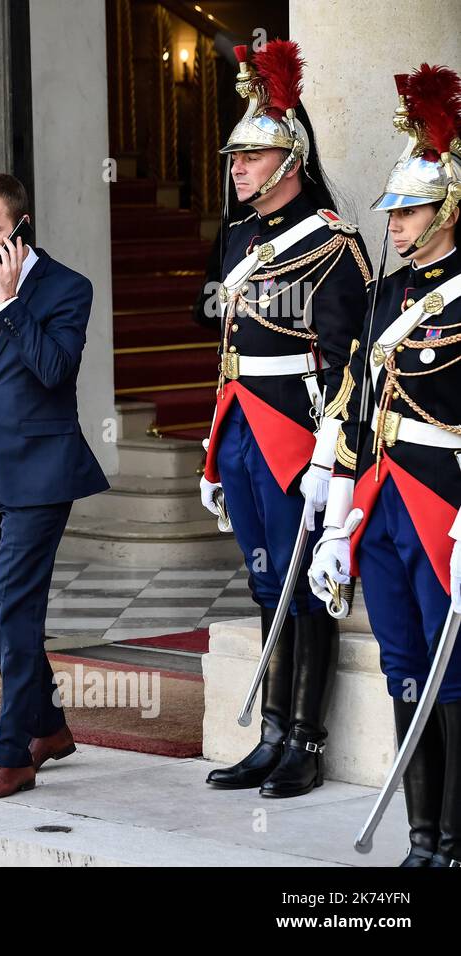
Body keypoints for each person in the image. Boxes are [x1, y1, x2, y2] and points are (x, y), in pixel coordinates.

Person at [199, 41, 371, 798]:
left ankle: (306, 741)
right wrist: (215, 447)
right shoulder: (239, 238)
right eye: (234, 159)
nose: (236, 169)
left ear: (290, 160)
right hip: (240, 428)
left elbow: (347, 367)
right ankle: (270, 735)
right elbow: (226, 339)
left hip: (295, 435)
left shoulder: (333, 245)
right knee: (265, 583)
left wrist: (331, 461)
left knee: (304, 584)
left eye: (250, 158)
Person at [309, 64, 461, 866]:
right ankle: (423, 836)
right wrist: (337, 523)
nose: (395, 224)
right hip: (388, 502)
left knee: (454, 674)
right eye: (393, 211)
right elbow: (355, 413)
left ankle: (457, 838)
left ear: (452, 210)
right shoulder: (385, 298)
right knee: (404, 667)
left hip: (448, 504)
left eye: (411, 210)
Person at [0, 173, 109, 801]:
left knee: (15, 607)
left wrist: (10, 304)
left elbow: (56, 370)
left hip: (40, 470)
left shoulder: (68, 288)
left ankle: (12, 757)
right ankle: (50, 726)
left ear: (22, 226)